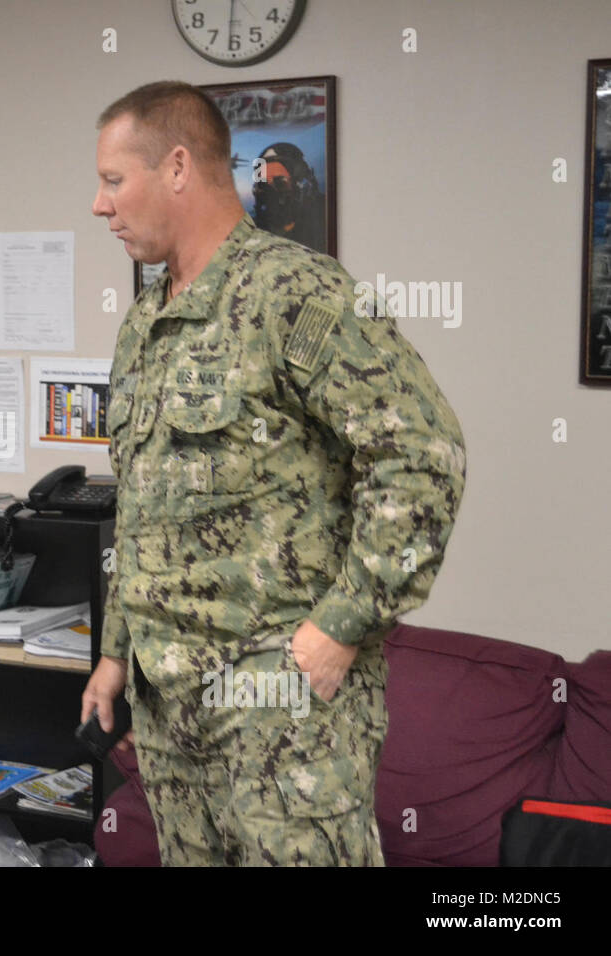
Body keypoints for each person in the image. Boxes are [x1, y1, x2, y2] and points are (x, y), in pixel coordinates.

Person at [80, 81, 466, 866]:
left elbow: (423, 458)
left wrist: (340, 627)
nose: (99, 204)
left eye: (114, 180)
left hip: (278, 706)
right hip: (169, 707)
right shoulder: (146, 323)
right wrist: (116, 653)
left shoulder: (298, 294)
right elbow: (143, 505)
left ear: (178, 167)